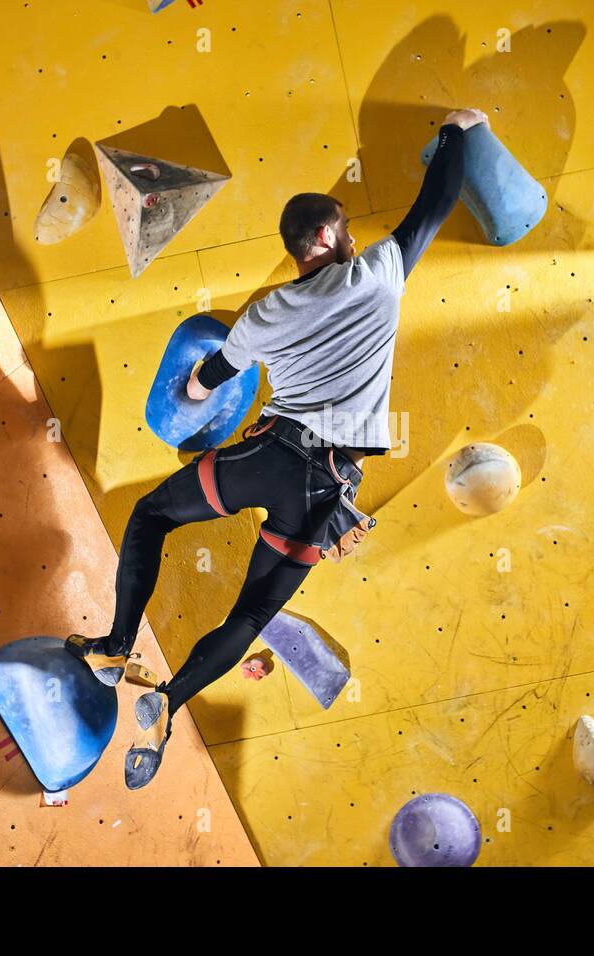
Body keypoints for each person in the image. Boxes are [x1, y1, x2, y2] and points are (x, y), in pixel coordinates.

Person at [68, 107, 487, 790]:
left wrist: (196, 394)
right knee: (252, 614)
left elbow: (205, 386)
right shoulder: (377, 275)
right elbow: (432, 207)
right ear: (328, 236)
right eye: (347, 225)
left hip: (267, 456)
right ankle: (168, 703)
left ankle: (117, 646)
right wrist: (457, 131)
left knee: (151, 516)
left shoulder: (264, 315)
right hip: (328, 488)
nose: (355, 234)